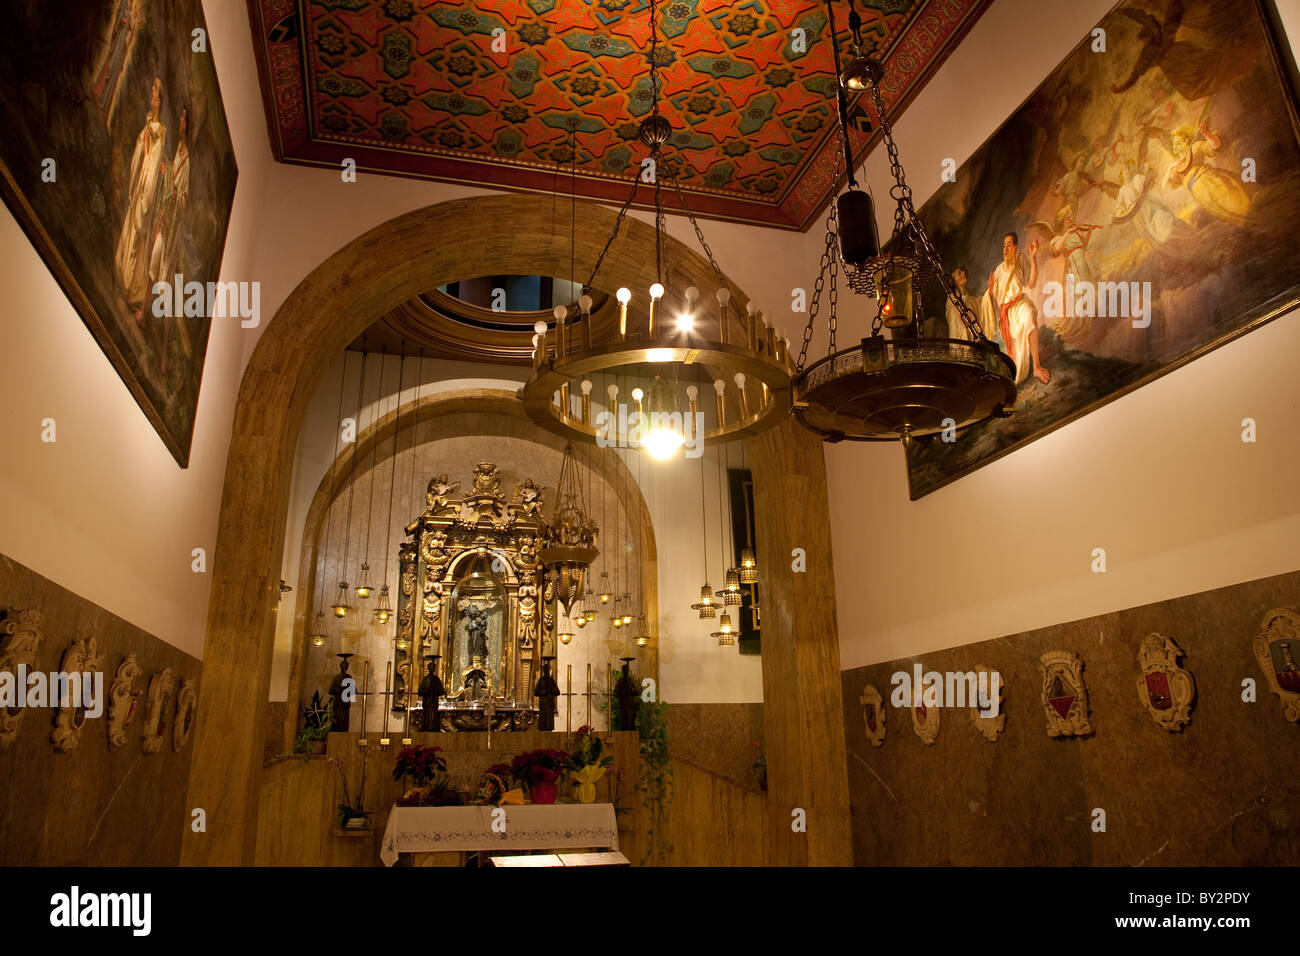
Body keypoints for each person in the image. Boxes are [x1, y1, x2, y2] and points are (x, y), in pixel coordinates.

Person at [115, 77, 166, 309]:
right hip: (139, 184)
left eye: (155, 92)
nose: (152, 95)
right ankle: (123, 273)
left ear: (160, 101)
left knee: (138, 236)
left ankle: (130, 282)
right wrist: (141, 146)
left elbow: (155, 163)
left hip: (147, 186)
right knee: (130, 230)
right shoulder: (148, 126)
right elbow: (140, 153)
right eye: (152, 91)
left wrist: (146, 191)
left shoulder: (160, 131)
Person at [979, 232, 1050, 385]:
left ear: (1015, 247)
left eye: (1009, 245)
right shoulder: (998, 271)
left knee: (1029, 315)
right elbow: (991, 299)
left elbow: (1030, 283)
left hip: (1020, 303)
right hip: (1008, 313)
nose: (1005, 249)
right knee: (1017, 366)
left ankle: (1037, 367)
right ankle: (1020, 368)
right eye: (1004, 246)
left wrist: (1033, 257)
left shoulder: (1021, 259)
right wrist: (990, 292)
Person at [944, 267, 981, 341]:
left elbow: (980, 305)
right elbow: (955, 329)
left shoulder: (969, 298)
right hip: (963, 344)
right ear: (953, 281)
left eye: (963, 272)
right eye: (959, 273)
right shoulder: (952, 301)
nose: (964, 273)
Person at [417, 658, 444, 732]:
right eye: (431, 667)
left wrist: (435, 690)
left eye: (433, 667)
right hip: (426, 703)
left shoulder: (436, 679)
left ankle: (433, 729)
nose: (432, 669)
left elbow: (441, 691)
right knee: (426, 717)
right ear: (428, 668)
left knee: (434, 718)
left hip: (434, 702)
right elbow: (420, 691)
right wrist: (427, 691)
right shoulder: (425, 679)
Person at [533, 661, 560, 732]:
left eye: (547, 669)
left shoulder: (551, 681)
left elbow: (557, 692)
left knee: (549, 724)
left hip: (550, 704)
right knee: (543, 723)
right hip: (543, 704)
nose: (547, 671)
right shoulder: (541, 680)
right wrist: (544, 692)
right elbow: (536, 692)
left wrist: (551, 690)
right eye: (546, 670)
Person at [614, 661, 638, 733]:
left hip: (630, 704)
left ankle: (630, 731)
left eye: (626, 670)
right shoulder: (620, 681)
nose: (625, 671)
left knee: (630, 719)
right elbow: (616, 692)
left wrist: (631, 690)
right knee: (623, 720)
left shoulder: (631, 680)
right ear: (622, 671)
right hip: (623, 704)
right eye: (624, 670)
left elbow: (637, 691)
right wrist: (622, 692)